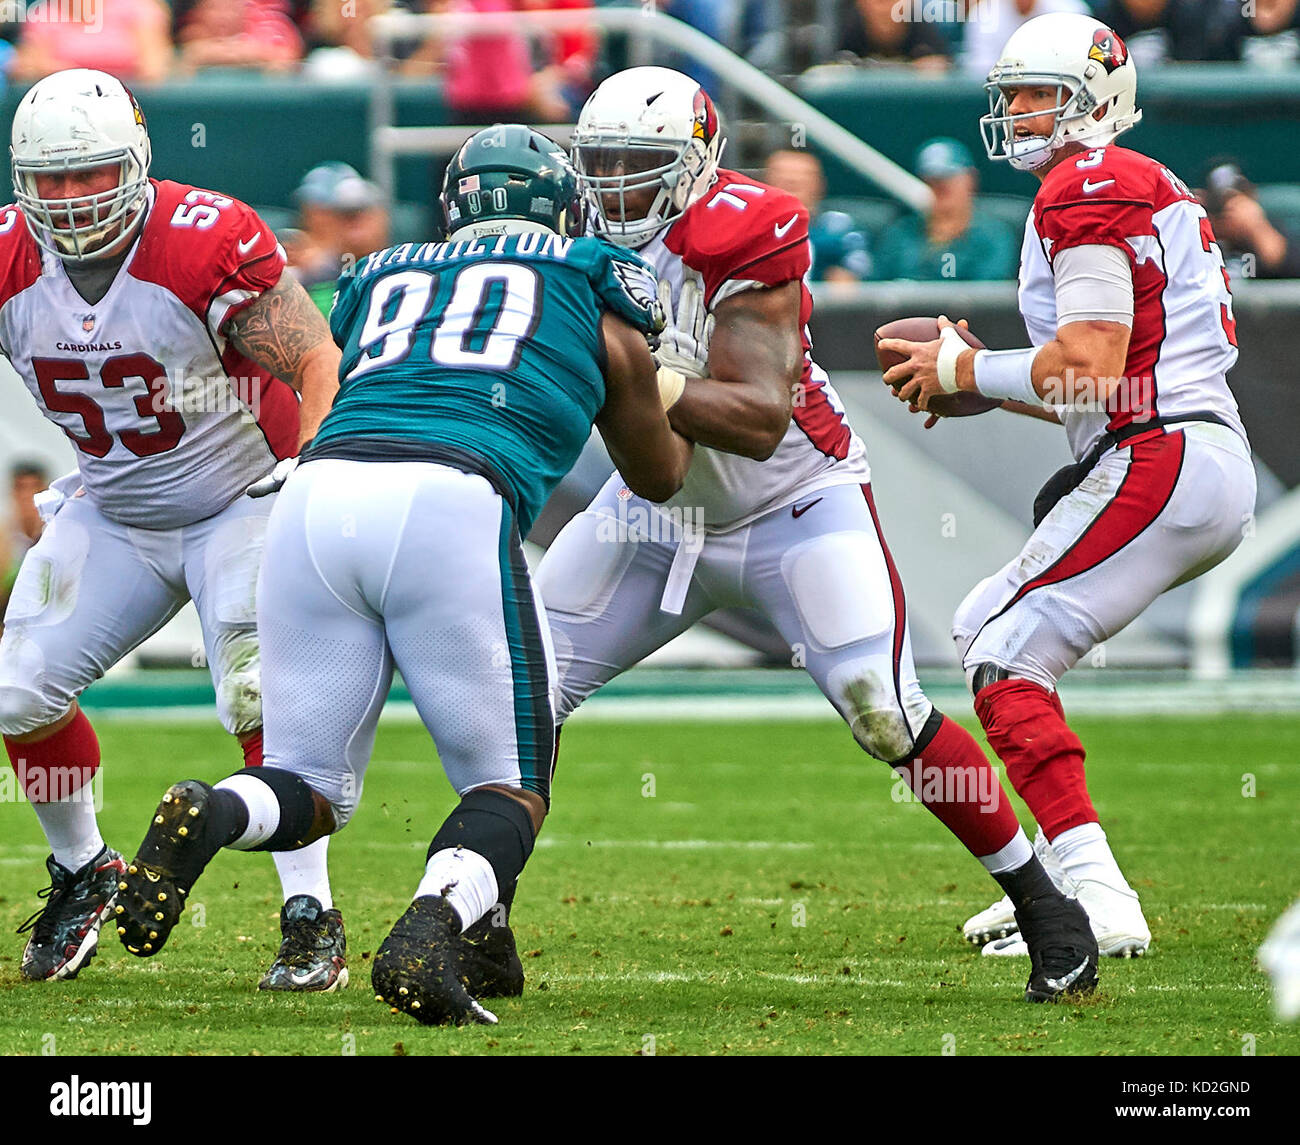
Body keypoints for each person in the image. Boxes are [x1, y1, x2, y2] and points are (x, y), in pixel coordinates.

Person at [539, 65, 1099, 1004]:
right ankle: (473, 910)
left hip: (794, 500)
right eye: (604, 163)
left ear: (698, 164)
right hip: (657, 508)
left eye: (643, 164)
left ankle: (1044, 903)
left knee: (882, 706)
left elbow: (757, 416)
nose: (619, 186)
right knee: (522, 686)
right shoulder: (572, 233)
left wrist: (630, 382)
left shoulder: (745, 226)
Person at [114, 125, 693, 1026]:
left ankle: (215, 812)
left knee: (308, 780)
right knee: (510, 785)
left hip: (316, 496)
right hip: (449, 497)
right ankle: (430, 928)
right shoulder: (590, 271)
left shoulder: (383, 272)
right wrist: (666, 389)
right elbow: (658, 473)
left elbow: (350, 364)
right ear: (566, 203)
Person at [879, 14, 1255, 960]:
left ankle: (1093, 893)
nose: (1015, 113)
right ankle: (1065, 867)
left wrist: (969, 371)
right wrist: (981, 385)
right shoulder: (1123, 183)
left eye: (1036, 94)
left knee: (1001, 643)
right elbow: (1096, 388)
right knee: (991, 631)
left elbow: (1089, 362)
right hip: (1170, 445)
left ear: (1097, 96)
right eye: (1009, 95)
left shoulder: (1089, 182)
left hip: (1161, 451)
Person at [0, 69, 342, 987]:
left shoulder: (203, 239)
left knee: (258, 695)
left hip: (241, 493)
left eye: (91, 175)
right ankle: (84, 868)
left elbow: (314, 356)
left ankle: (308, 909)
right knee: (15, 693)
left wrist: (310, 474)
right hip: (115, 506)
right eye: (52, 180)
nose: (71, 201)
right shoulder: (7, 256)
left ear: (138, 163)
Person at [872, 137, 1019, 281]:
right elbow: (876, 285)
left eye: (948, 178)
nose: (940, 187)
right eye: (932, 181)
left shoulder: (993, 236)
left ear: (970, 178)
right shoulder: (901, 234)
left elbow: (990, 291)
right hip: (909, 305)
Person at [285, 162, 392, 315]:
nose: (355, 223)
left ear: (382, 218)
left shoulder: (403, 267)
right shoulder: (315, 276)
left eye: (361, 212)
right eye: (345, 215)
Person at [761, 148, 871, 285]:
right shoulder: (749, 230)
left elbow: (859, 276)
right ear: (765, 182)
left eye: (803, 177)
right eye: (782, 177)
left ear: (820, 184)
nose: (792, 182)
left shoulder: (842, 228)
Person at [1201, 159, 1300, 280]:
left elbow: (1279, 262)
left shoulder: (1272, 233)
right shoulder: (1201, 238)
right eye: (1223, 203)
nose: (1234, 209)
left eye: (1240, 199)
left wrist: (1256, 227)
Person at [0, 461, 49, 621]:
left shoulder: (55, 535)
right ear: (13, 493)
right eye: (21, 489)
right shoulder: (5, 538)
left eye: (35, 489)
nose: (28, 497)